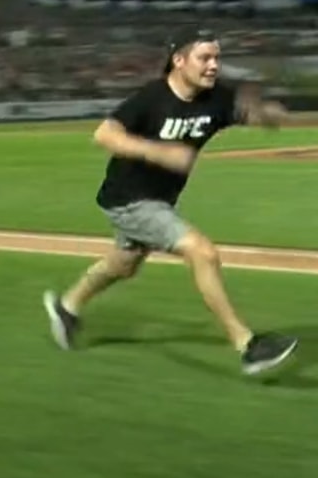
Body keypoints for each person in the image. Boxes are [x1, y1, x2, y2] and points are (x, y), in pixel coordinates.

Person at [42, 29, 297, 375]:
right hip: (129, 199)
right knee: (202, 251)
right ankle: (247, 345)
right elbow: (104, 134)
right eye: (204, 58)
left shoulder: (216, 98)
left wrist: (269, 113)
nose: (213, 66)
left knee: (125, 264)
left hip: (159, 200)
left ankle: (67, 306)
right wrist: (156, 151)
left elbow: (248, 112)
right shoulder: (152, 97)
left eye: (217, 58)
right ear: (179, 61)